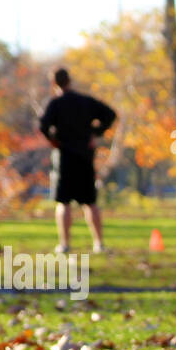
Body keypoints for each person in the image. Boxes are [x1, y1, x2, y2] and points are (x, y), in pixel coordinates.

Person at [38, 68, 117, 253]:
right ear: (69, 81)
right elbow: (110, 114)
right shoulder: (85, 102)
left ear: (54, 83)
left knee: (63, 202)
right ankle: (98, 243)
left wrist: (53, 141)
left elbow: (42, 125)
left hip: (64, 156)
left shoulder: (55, 104)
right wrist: (95, 133)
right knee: (90, 201)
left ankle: (64, 244)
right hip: (84, 155)